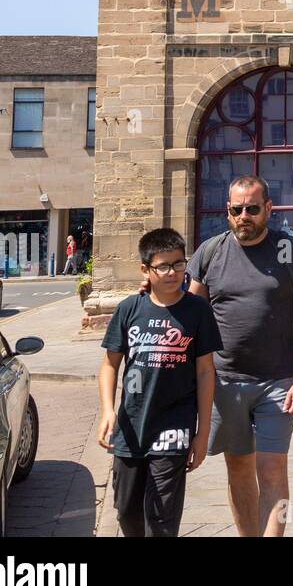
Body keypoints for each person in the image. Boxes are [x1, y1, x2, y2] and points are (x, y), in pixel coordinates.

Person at [187, 176, 293, 537]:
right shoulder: (210, 252)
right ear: (227, 211)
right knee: (238, 468)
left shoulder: (292, 252)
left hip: (278, 381)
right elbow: (190, 317)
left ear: (268, 209)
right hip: (225, 382)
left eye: (251, 208)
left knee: (273, 469)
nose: (243, 215)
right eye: (236, 209)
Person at [97, 228, 221, 538]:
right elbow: (110, 364)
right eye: (163, 266)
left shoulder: (197, 311)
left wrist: (202, 432)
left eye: (178, 264)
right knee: (127, 512)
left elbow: (206, 372)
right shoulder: (129, 309)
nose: (172, 273)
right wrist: (108, 411)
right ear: (145, 270)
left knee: (162, 520)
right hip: (130, 425)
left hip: (174, 426)